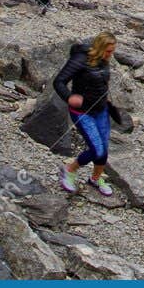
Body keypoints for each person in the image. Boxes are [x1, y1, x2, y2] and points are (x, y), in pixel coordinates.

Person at [54, 32, 122, 196]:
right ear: (99, 48)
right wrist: (69, 97)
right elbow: (59, 81)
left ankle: (95, 178)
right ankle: (70, 170)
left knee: (103, 149)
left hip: (101, 109)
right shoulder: (80, 59)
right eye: (108, 52)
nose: (110, 55)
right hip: (83, 111)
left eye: (112, 52)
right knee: (97, 149)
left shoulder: (104, 60)